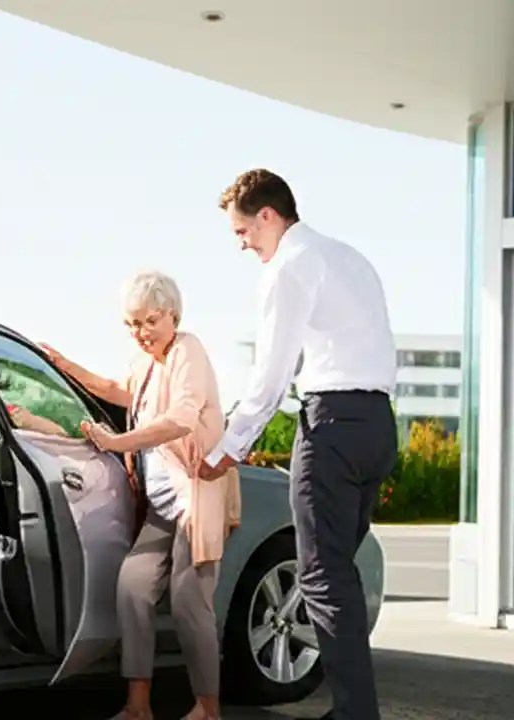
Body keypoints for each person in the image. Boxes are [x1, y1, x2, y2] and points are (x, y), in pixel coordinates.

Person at [196, 169, 397, 720]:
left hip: (331, 428)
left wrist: (224, 450)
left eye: (242, 233)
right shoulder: (349, 257)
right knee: (338, 573)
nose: (243, 246)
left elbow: (270, 376)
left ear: (268, 215)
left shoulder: (288, 268)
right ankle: (353, 710)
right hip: (377, 425)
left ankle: (357, 714)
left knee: (322, 576)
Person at [40, 269, 241, 720]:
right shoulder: (144, 364)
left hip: (196, 499)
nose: (141, 332)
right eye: (133, 324)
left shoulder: (188, 351)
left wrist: (115, 443)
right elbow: (118, 391)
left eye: (150, 321)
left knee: (190, 600)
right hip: (163, 508)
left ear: (172, 315)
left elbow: (181, 419)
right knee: (133, 587)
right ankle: (138, 706)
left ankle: (208, 709)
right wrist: (65, 367)